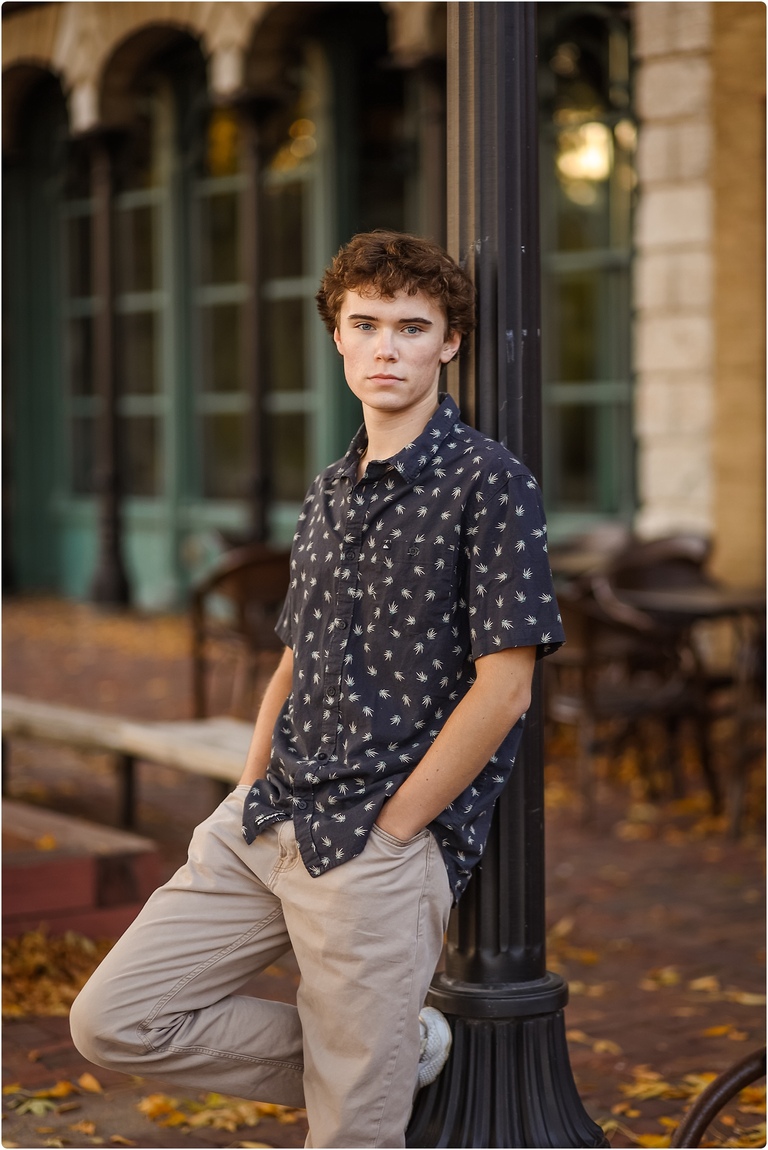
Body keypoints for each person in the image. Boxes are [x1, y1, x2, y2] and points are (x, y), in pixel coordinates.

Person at [70, 230, 565, 1148]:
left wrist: (399, 830)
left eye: (412, 328)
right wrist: (246, 788)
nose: (387, 347)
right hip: (264, 824)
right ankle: (394, 1050)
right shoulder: (328, 490)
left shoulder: (489, 484)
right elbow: (294, 657)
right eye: (365, 324)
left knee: (349, 1132)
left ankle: (369, 1063)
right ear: (337, 336)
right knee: (114, 1020)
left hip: (376, 846)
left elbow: (505, 691)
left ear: (448, 343)